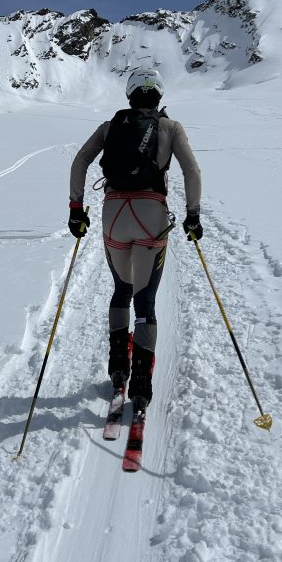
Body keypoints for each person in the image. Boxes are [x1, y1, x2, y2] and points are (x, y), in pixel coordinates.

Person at [68, 68, 202, 413]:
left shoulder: (111, 126)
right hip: (150, 215)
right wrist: (193, 215)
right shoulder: (170, 127)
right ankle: (141, 386)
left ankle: (117, 369)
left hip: (114, 214)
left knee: (121, 290)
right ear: (158, 95)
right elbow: (192, 171)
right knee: (145, 301)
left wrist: (76, 208)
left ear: (129, 95)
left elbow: (81, 159)